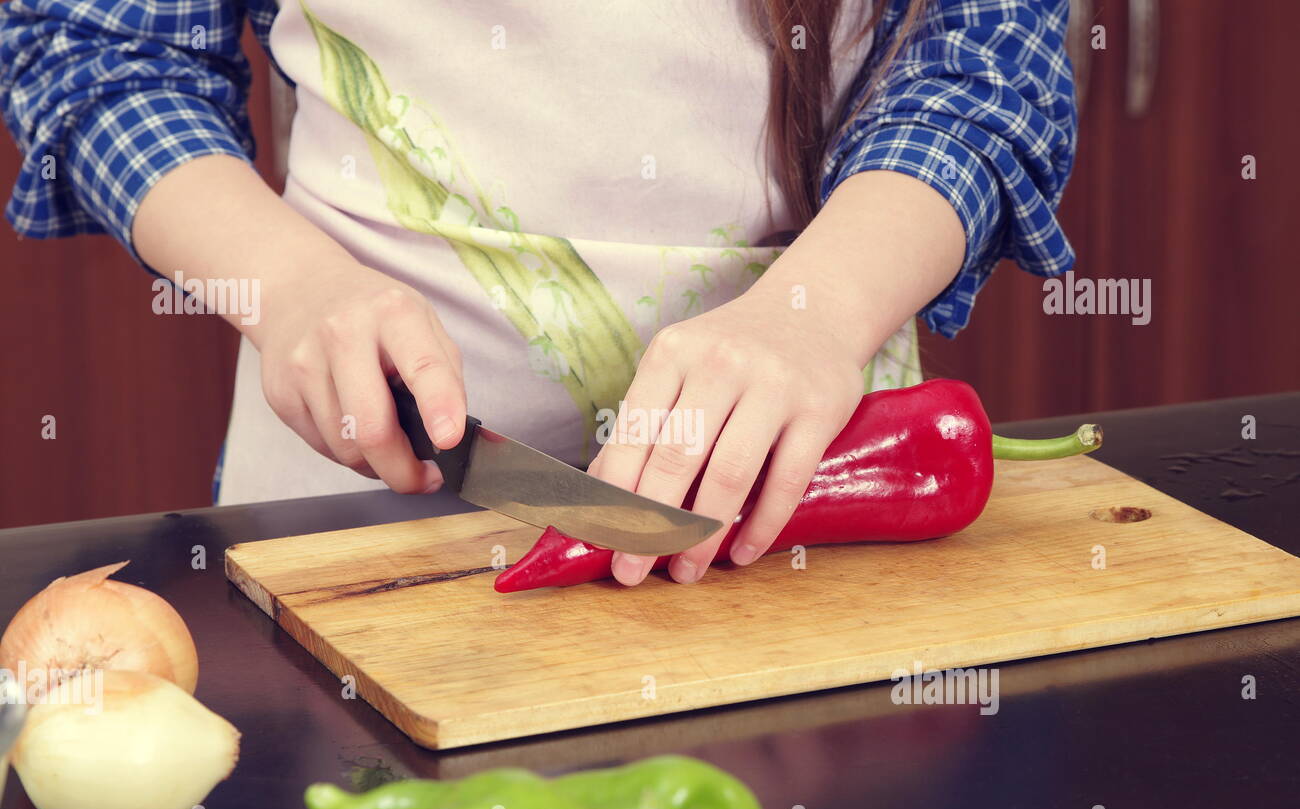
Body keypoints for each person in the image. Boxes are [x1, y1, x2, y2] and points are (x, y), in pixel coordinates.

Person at [0, 0, 1076, 586]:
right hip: (354, 517)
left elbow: (982, 56)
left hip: (801, 503)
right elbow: (99, 51)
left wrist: (822, 308)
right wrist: (290, 285)